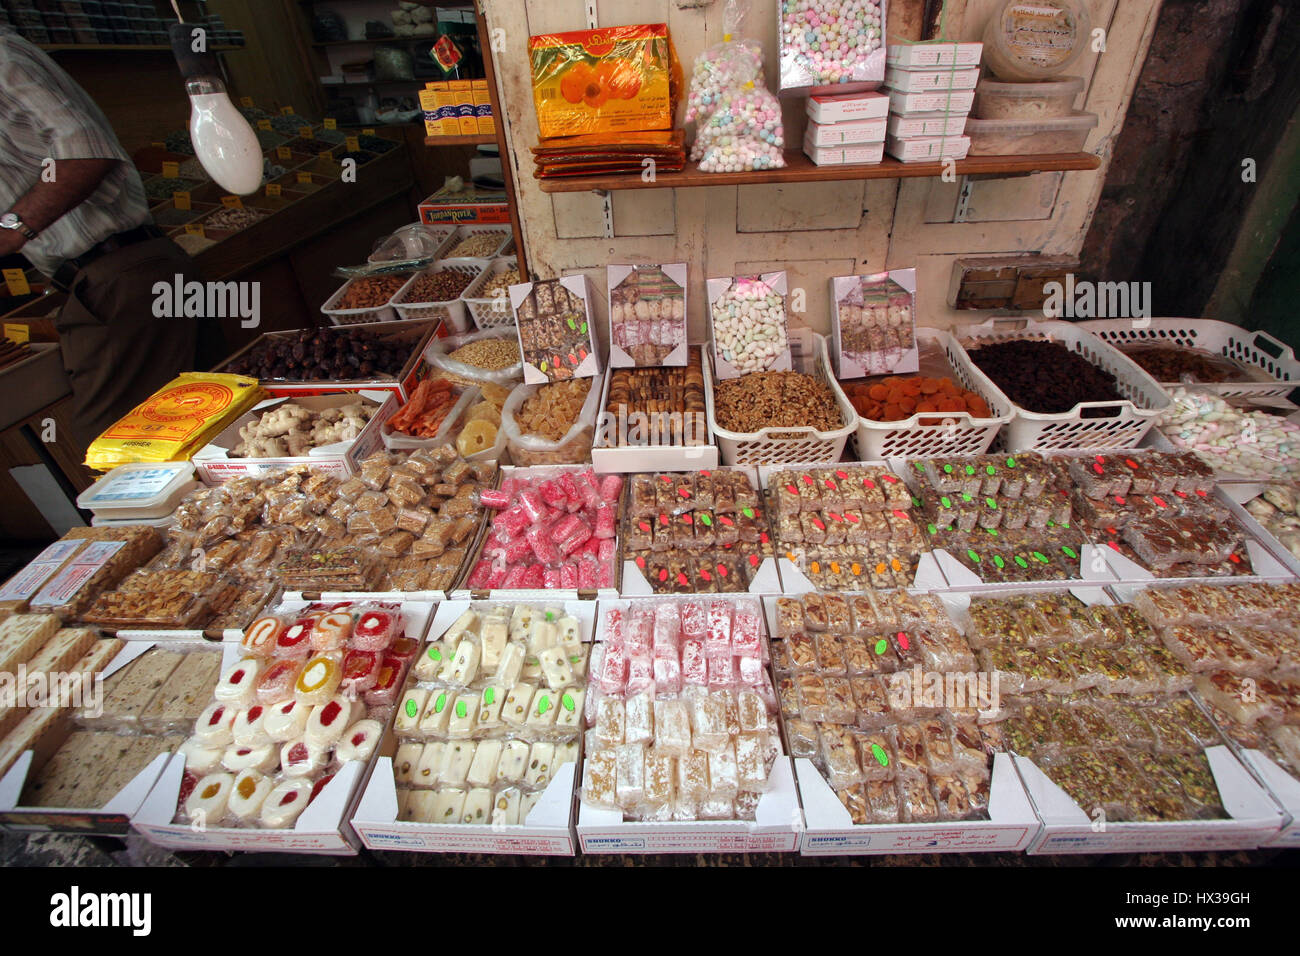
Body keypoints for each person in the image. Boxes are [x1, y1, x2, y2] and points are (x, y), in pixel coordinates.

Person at [0, 27, 203, 448]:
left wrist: (12, 229)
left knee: (113, 451)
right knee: (191, 435)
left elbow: (84, 151)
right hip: (116, 275)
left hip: (117, 278)